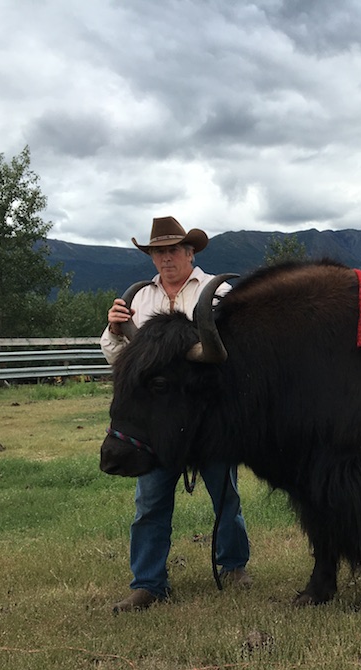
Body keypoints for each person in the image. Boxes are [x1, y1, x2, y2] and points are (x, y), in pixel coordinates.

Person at [101, 216, 251, 613]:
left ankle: (235, 566)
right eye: (158, 252)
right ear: (152, 257)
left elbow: (233, 356)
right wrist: (115, 331)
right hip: (157, 422)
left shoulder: (219, 294)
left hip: (208, 416)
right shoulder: (137, 300)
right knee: (149, 500)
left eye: (173, 250)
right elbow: (120, 361)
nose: (165, 258)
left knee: (226, 496)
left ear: (190, 253)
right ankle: (148, 583)